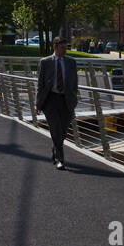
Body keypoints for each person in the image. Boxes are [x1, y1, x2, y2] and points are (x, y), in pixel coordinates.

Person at [36, 37, 78, 169]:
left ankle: (55, 149)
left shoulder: (71, 62)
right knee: (55, 129)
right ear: (55, 46)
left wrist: (74, 99)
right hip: (50, 100)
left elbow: (74, 83)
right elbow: (40, 85)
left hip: (66, 100)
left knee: (63, 130)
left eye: (66, 47)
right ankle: (61, 160)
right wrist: (38, 103)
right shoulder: (45, 62)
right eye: (62, 47)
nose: (65, 50)